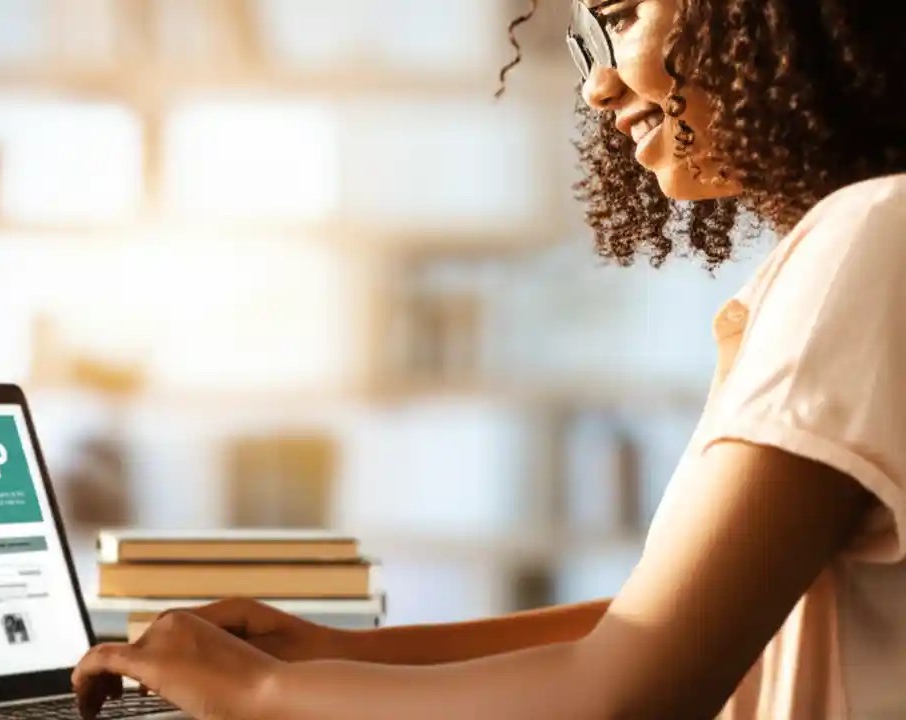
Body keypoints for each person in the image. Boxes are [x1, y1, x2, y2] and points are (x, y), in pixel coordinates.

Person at [74, 1, 906, 717]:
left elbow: (622, 694)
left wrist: (255, 697)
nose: (598, 84)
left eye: (620, 18)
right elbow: (659, 625)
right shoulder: (862, 239)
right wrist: (323, 655)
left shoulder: (870, 237)